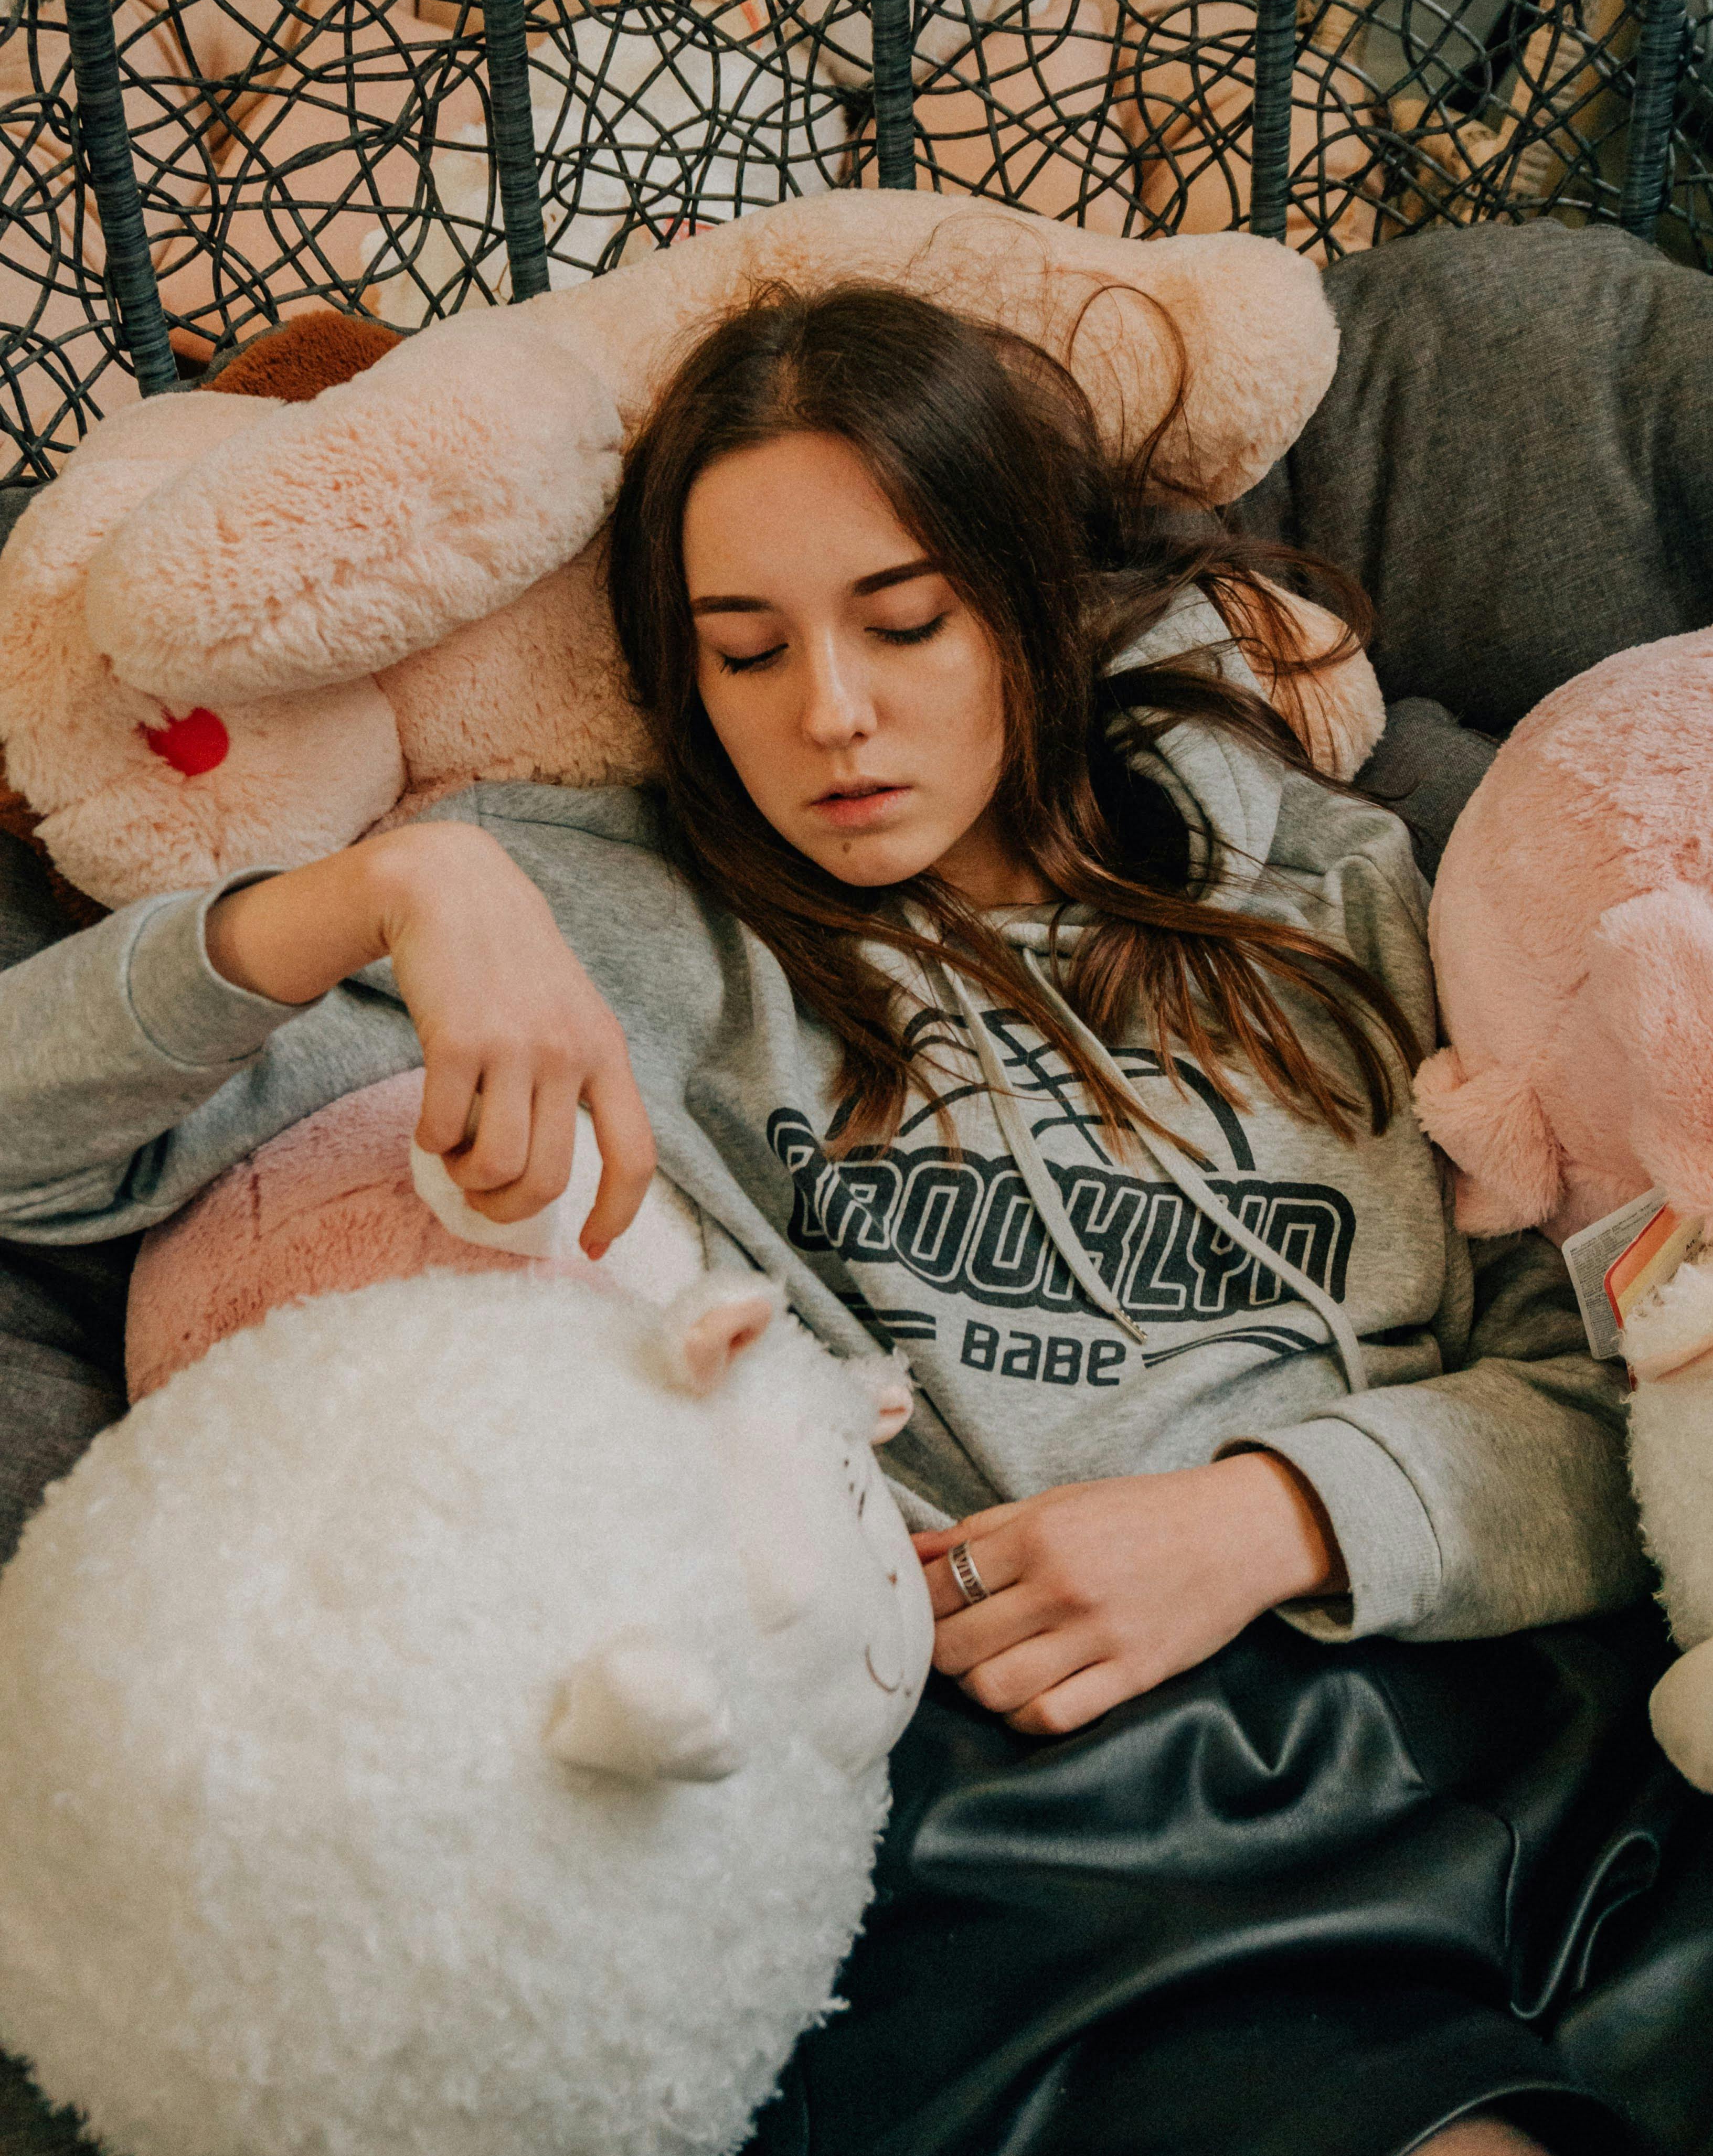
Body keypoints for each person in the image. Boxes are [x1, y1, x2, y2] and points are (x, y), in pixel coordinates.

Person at [0, 287, 1664, 2155]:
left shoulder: (1330, 885)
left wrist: (1268, 1515)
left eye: (903, 620)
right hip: (1054, 1835)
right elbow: (23, 1148)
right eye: (743, 651)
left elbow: (1615, 1381)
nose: (832, 717)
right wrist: (388, 886)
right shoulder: (600, 925)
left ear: (1028, 598)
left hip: (1505, 1712)